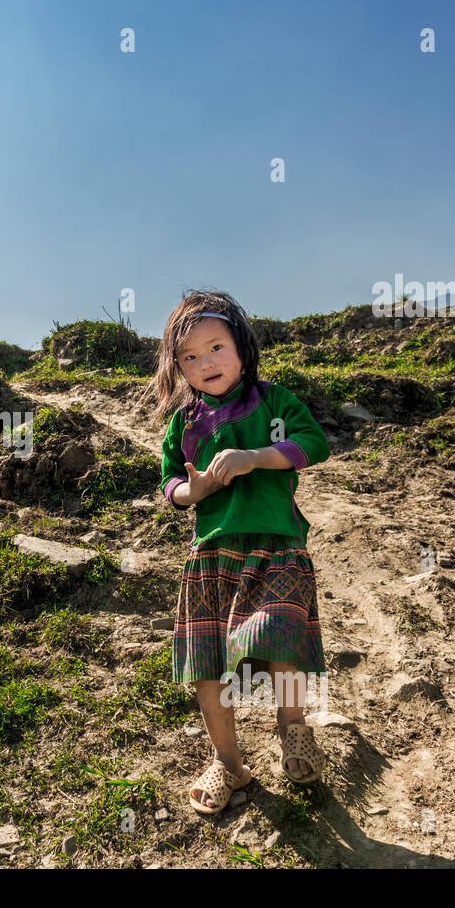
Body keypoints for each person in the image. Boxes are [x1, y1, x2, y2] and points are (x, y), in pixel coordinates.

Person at [145, 289, 331, 814]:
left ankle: (293, 731)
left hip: (277, 545)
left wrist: (255, 457)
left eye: (216, 348)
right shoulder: (184, 423)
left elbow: (313, 443)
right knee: (206, 661)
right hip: (211, 554)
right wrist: (195, 490)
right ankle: (228, 762)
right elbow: (170, 485)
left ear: (242, 348)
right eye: (189, 357)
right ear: (177, 367)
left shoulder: (274, 401)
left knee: (280, 639)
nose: (205, 363)